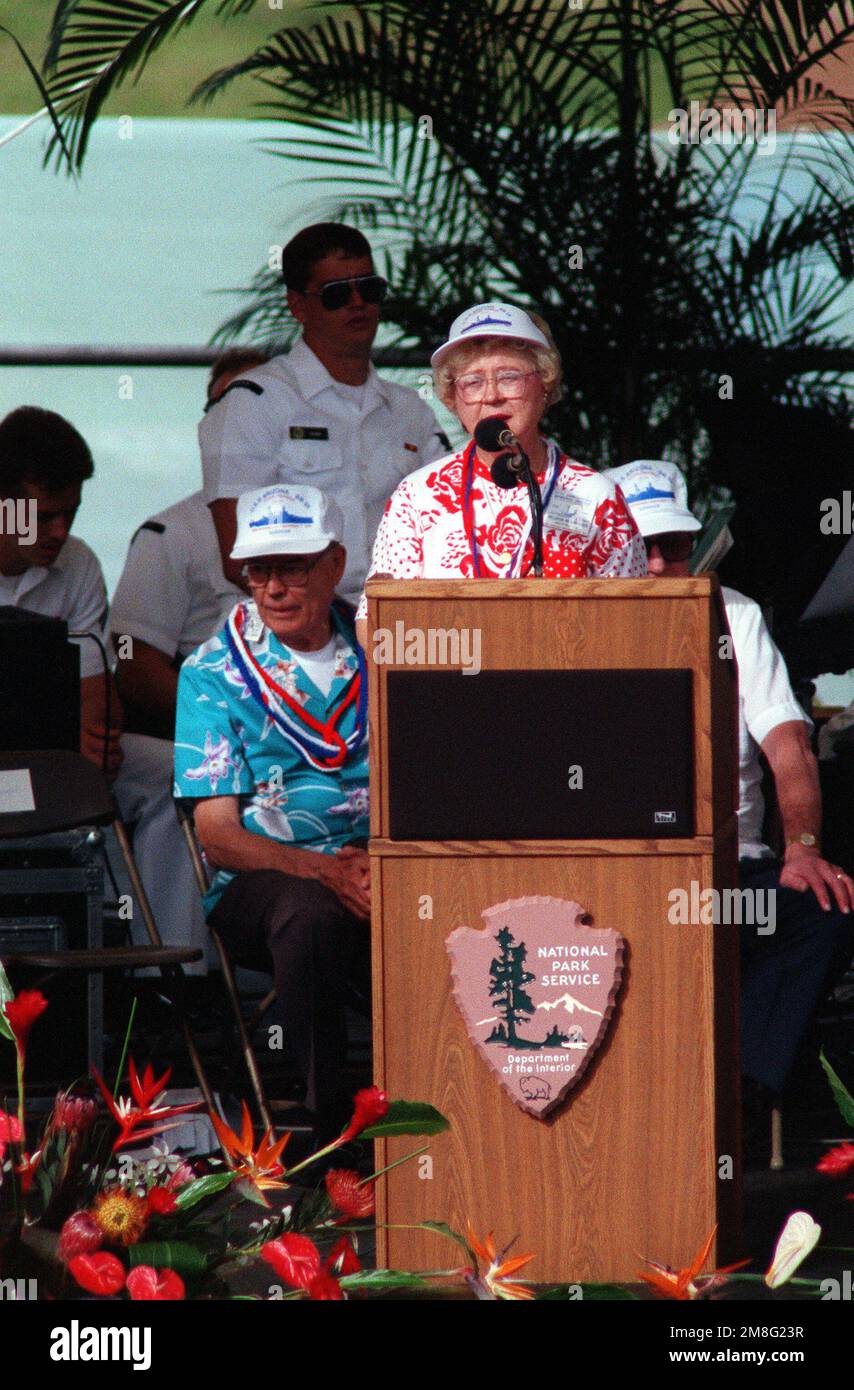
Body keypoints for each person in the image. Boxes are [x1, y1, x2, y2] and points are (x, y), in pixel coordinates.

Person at [607, 458, 854, 1102]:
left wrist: (802, 847)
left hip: (729, 869)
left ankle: (733, 1093)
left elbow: (789, 745)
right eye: (641, 546)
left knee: (818, 911)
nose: (659, 564)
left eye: (674, 546)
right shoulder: (570, 612)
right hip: (609, 870)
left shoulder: (734, 614)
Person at [174, 483, 370, 1140]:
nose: (274, 588)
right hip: (266, 884)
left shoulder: (384, 645)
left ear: (335, 564)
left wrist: (379, 864)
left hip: (381, 863)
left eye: (293, 566)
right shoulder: (212, 670)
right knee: (309, 916)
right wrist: (325, 872)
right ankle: (329, 1128)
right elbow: (219, 837)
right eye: (259, 570)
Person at [107, 351, 268, 969]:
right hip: (219, 736)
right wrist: (230, 730)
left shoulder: (335, 527)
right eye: (226, 411)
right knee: (190, 783)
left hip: (325, 737)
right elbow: (135, 668)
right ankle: (177, 982)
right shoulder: (171, 534)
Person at [199, 222, 448, 606]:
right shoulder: (255, 401)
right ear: (297, 305)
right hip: (296, 632)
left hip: (402, 623)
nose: (357, 302)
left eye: (369, 288)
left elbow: (453, 530)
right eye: (335, 294)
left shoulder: (410, 410)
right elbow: (240, 558)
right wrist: (342, 624)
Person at [357, 302, 646, 619]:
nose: (492, 395)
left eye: (509, 377)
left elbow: (632, 622)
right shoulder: (417, 495)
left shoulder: (596, 496)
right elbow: (374, 624)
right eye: (473, 382)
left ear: (545, 384)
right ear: (454, 399)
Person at [0, 405, 121, 776]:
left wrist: (94, 743)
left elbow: (94, 699)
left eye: (71, 513)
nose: (60, 531)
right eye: (43, 516)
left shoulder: (79, 563)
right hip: (37, 750)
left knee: (170, 775)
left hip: (52, 752)